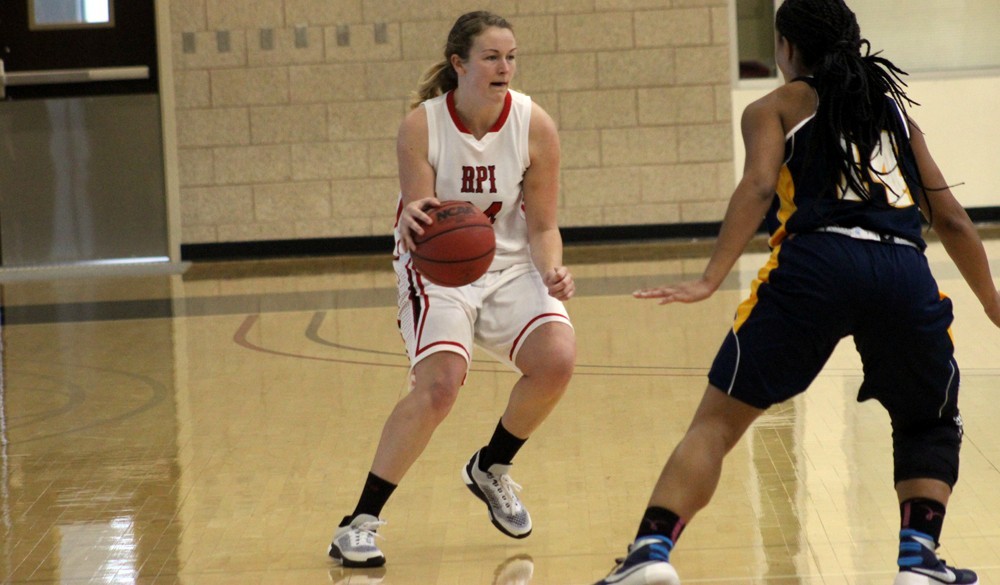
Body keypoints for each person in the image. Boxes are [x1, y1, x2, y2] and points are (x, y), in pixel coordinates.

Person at [592, 1, 1000, 584]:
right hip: (903, 269)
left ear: (785, 47)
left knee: (717, 423)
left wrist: (710, 277)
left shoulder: (773, 107)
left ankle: (649, 555)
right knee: (927, 421)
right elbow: (952, 218)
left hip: (818, 262)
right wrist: (990, 299)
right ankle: (919, 562)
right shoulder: (893, 113)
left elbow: (760, 185)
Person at [328, 11, 576, 569]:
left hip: (511, 263)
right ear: (459, 64)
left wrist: (553, 269)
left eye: (511, 56)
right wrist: (417, 214)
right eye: (492, 57)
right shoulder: (423, 126)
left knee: (557, 359)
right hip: (437, 267)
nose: (505, 67)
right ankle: (359, 524)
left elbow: (542, 226)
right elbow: (422, 216)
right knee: (440, 386)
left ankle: (491, 466)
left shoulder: (536, 124)